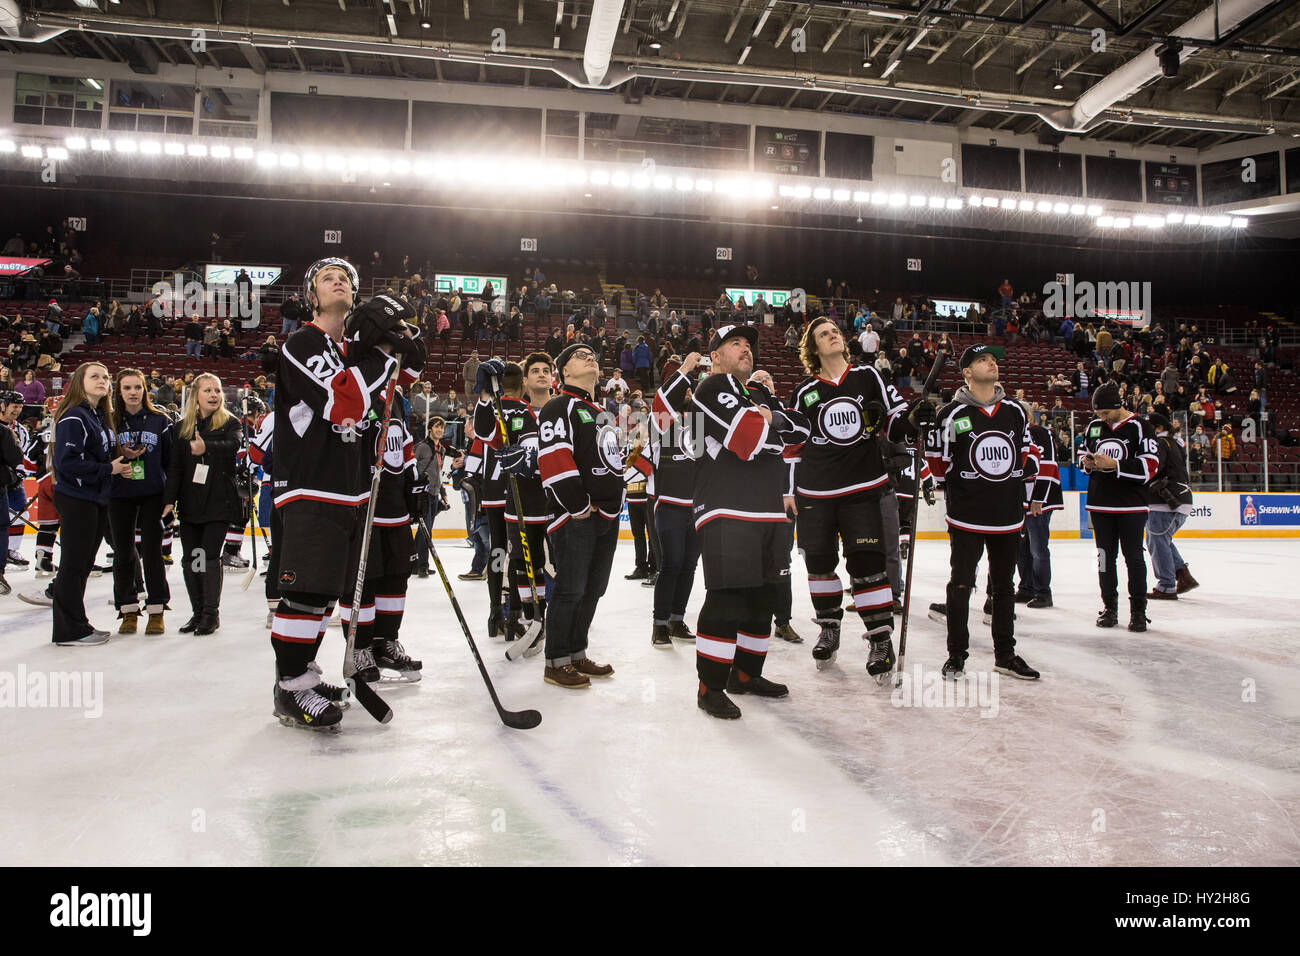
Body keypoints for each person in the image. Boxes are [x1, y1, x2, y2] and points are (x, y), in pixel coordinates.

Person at [269, 258, 423, 732]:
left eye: (347, 280)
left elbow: (383, 401)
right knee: (305, 591)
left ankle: (305, 677)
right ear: (312, 295)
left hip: (350, 491)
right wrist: (384, 355)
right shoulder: (304, 342)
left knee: (323, 595)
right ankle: (289, 686)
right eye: (327, 278)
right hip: (310, 487)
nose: (338, 282)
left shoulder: (351, 351)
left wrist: (407, 356)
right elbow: (343, 403)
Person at [689, 325, 809, 718]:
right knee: (728, 598)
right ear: (716, 355)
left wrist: (770, 420)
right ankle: (711, 686)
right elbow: (746, 439)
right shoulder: (712, 387)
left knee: (764, 598)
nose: (745, 349)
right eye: (734, 343)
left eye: (748, 345)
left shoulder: (758, 393)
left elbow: (805, 431)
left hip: (771, 510)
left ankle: (746, 674)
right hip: (728, 508)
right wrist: (774, 427)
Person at [788, 317, 909, 681]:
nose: (834, 336)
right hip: (815, 493)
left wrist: (913, 419)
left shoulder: (868, 376)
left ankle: (880, 639)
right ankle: (828, 626)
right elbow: (793, 448)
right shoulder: (805, 392)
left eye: (836, 331)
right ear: (814, 348)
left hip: (862, 488)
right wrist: (787, 490)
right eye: (825, 334)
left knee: (868, 564)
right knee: (820, 564)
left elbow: (897, 415)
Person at [919, 345, 1041, 680]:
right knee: (960, 585)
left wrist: (1014, 487)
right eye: (983, 360)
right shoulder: (950, 414)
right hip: (966, 515)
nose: (992, 363)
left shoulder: (1016, 411)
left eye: (994, 359)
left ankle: (1005, 654)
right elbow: (939, 467)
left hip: (1007, 515)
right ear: (967, 372)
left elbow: (1027, 456)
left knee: (1004, 588)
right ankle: (956, 655)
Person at [535, 343, 621, 689]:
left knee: (593, 589)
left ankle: (576, 653)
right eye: (580, 356)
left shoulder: (602, 411)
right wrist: (578, 505)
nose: (591, 358)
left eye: (594, 356)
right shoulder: (559, 405)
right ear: (564, 372)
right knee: (570, 589)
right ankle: (555, 662)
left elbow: (611, 461)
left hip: (607, 515)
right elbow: (555, 458)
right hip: (576, 516)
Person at [339, 400, 423, 683]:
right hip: (364, 508)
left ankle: (385, 644)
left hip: (396, 507)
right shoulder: (358, 390)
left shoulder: (396, 398)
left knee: (397, 578)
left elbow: (405, 446)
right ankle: (359, 648)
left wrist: (413, 482)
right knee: (363, 581)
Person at [474, 352, 555, 643]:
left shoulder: (503, 408)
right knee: (523, 555)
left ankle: (500, 611)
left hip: (496, 493)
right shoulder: (517, 410)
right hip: (514, 493)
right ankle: (516, 612)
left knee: (501, 552)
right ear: (522, 383)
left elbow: (477, 450)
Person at [50, 362, 132, 645]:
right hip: (77, 498)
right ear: (79, 382)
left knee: (83, 564)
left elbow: (99, 455)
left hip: (94, 498)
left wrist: (120, 458)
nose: (103, 381)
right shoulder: (74, 416)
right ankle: (69, 629)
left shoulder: (98, 417)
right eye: (94, 376)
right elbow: (68, 462)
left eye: (106, 377)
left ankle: (77, 624)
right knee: (74, 564)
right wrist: (108, 469)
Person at [162, 373, 241, 637]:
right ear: (196, 395)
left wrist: (206, 447)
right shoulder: (181, 428)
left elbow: (234, 446)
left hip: (218, 503)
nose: (214, 395)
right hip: (190, 503)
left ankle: (210, 614)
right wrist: (168, 501)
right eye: (208, 390)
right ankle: (197, 612)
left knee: (208, 557)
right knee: (191, 559)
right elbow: (174, 468)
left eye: (217, 391)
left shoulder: (231, 423)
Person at [1079, 381, 1159, 632]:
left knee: (1134, 557)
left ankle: (1138, 611)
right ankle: (1109, 607)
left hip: (1131, 506)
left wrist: (1115, 465)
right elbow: (1083, 454)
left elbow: (1150, 466)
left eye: (1104, 412)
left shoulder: (1140, 426)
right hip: (1100, 504)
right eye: (1098, 413)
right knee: (1103, 558)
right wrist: (1087, 463)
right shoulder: (1094, 427)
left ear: (1118, 406)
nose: (1101, 417)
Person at [108, 369, 173, 635]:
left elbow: (171, 461)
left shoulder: (160, 419)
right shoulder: (109, 420)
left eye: (137, 387)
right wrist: (118, 455)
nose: (133, 392)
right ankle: (128, 610)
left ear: (145, 389)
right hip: (119, 493)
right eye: (127, 388)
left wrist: (171, 497)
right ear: (119, 391)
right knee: (123, 553)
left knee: (152, 552)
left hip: (152, 493)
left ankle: (156, 610)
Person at [647, 352, 703, 646]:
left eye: (691, 389)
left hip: (696, 507)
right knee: (671, 563)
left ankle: (677, 619)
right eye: (686, 389)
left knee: (689, 565)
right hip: (669, 504)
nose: (689, 393)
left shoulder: (700, 420)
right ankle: (659, 624)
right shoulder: (662, 421)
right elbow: (661, 400)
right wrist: (684, 369)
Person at [1145, 412, 1198, 599]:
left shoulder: (1159, 444)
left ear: (1158, 428)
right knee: (1161, 540)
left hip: (1165, 502)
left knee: (1158, 541)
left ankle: (1166, 585)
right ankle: (1183, 575)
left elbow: (1153, 469)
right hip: (1178, 498)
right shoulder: (1173, 442)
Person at [1015, 401, 1063, 609]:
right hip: (1023, 500)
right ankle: (1026, 588)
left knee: (1037, 548)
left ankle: (1043, 592)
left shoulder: (1040, 433)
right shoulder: (1015, 433)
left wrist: (1038, 498)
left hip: (1038, 502)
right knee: (1021, 548)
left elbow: (1048, 465)